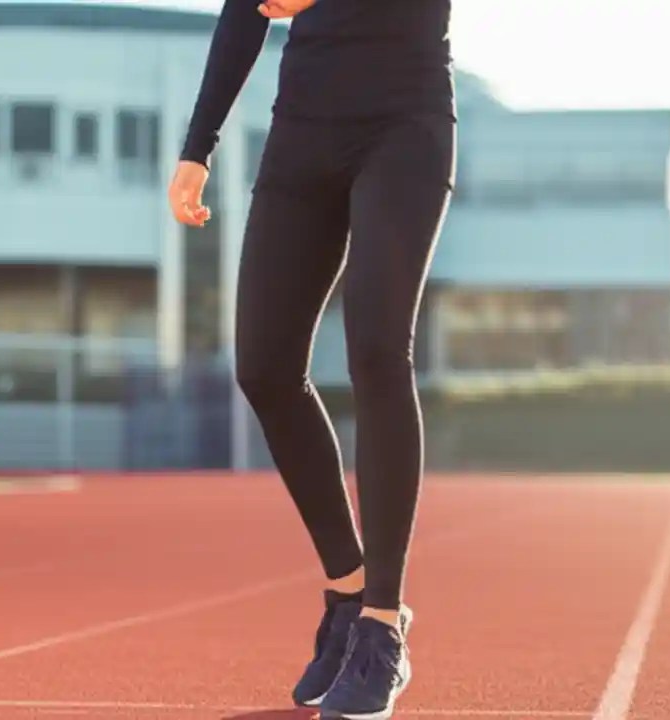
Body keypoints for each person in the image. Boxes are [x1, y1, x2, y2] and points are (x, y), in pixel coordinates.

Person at [168, 0, 454, 717]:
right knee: (263, 364)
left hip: (403, 123)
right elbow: (247, 6)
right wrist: (196, 146)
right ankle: (349, 590)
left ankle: (383, 627)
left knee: (377, 351)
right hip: (302, 130)